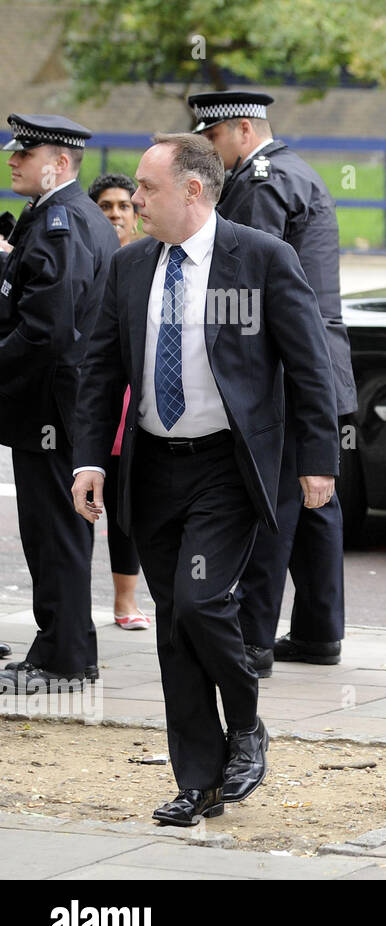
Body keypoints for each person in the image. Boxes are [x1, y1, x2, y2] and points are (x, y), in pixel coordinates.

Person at [70, 134, 338, 826]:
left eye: (147, 189)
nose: (134, 202)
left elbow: (310, 366)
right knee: (173, 628)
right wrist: (91, 457)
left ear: (193, 190)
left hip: (228, 465)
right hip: (153, 468)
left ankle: (246, 721)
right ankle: (199, 780)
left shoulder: (263, 259)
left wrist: (318, 461)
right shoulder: (131, 267)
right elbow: (100, 369)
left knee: (197, 602)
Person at [187, 90, 357, 677]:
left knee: (271, 501)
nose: (209, 151)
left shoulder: (261, 182)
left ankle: (252, 639)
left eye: (210, 139)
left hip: (282, 369)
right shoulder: (293, 172)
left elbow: (245, 281)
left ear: (239, 129)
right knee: (315, 503)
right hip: (317, 363)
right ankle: (317, 630)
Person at [0, 114, 118, 693]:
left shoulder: (62, 222)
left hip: (52, 406)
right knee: (50, 532)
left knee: (55, 532)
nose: (11, 159)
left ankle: (66, 658)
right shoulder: (52, 216)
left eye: (25, 151)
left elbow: (47, 330)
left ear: (61, 163)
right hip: (52, 404)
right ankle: (57, 648)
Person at [88, 172, 149, 631]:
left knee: (126, 510)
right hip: (95, 401)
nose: (114, 213)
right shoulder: (87, 253)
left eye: (123, 205)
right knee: (84, 503)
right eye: (105, 205)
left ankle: (125, 601)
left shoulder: (145, 260)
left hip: (137, 405)